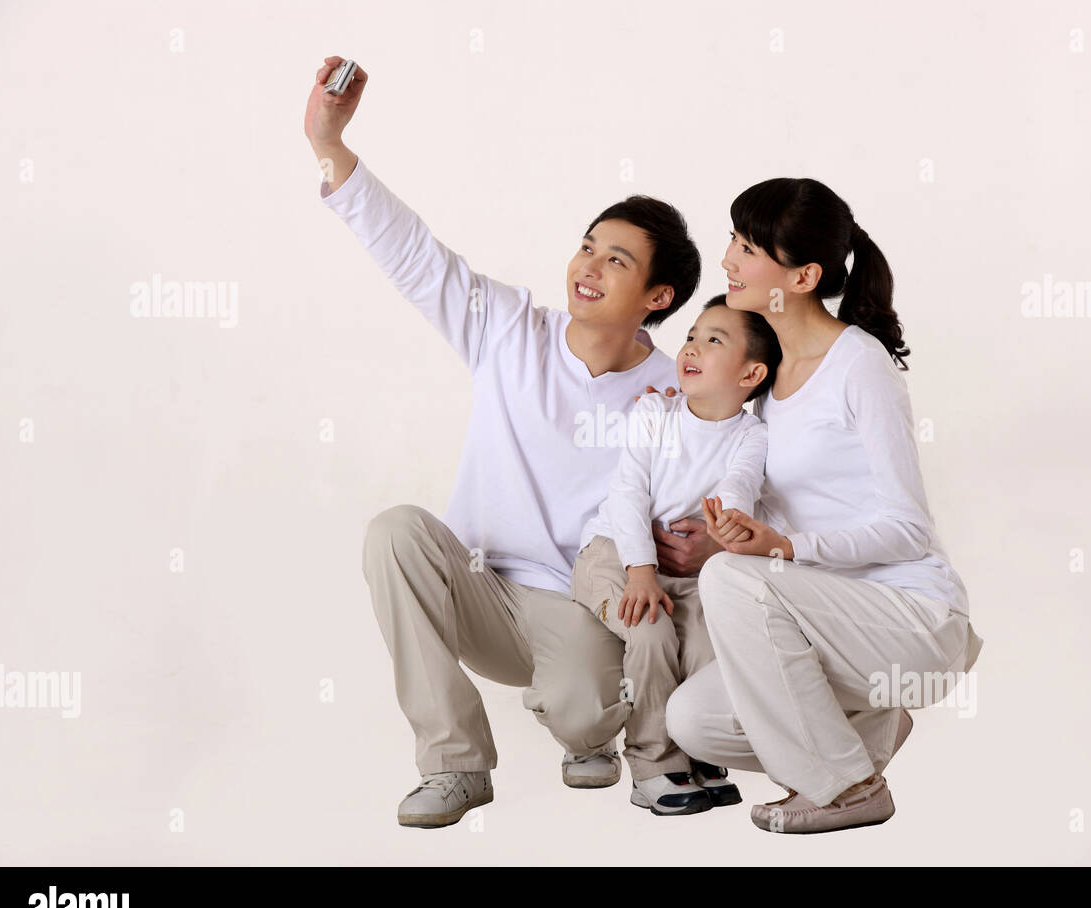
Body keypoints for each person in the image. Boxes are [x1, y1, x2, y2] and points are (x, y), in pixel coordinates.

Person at [304, 56, 712, 828]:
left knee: (586, 714)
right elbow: (413, 255)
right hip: (480, 588)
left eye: (617, 261)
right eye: (587, 246)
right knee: (394, 531)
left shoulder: (675, 395)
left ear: (657, 297)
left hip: (578, 611)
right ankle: (454, 764)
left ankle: (583, 728)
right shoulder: (509, 328)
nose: (588, 267)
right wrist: (330, 144)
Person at [666, 178, 985, 834]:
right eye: (732, 239)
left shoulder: (859, 366)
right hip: (830, 625)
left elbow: (908, 528)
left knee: (732, 579)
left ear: (804, 276)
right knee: (692, 721)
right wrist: (729, 521)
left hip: (912, 619)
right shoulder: (767, 377)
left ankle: (849, 788)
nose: (727, 260)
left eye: (748, 248)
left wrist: (786, 549)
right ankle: (870, 727)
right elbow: (748, 473)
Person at [571, 295, 780, 815]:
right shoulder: (654, 412)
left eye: (714, 340)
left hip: (684, 569)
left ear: (751, 374)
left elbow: (740, 483)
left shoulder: (752, 435)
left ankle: (697, 747)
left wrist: (726, 522)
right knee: (652, 630)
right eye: (691, 336)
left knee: (710, 638)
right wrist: (640, 572)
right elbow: (628, 492)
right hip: (615, 554)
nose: (691, 348)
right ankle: (653, 762)